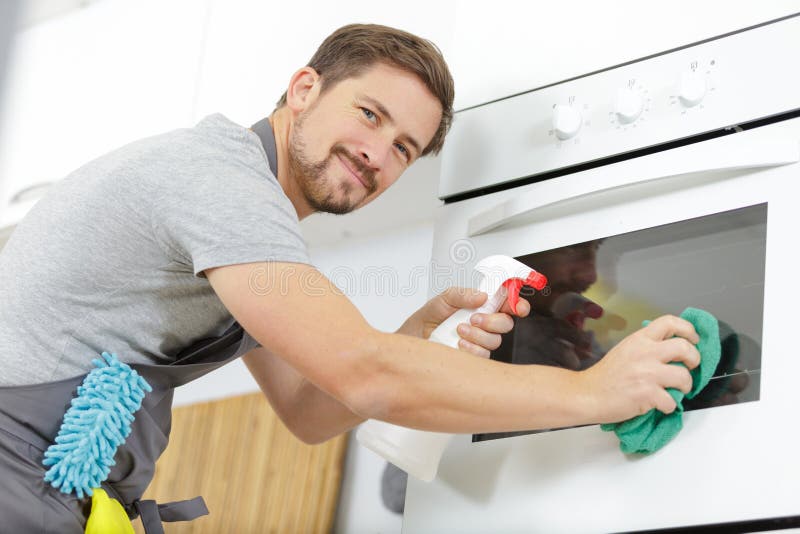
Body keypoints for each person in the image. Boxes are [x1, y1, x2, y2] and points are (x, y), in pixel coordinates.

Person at [0, 23, 701, 532]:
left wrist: (412, 338)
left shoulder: (253, 232)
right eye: (370, 114)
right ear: (304, 89)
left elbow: (311, 412)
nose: (377, 155)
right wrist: (594, 391)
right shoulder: (219, 187)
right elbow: (365, 375)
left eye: (404, 148)